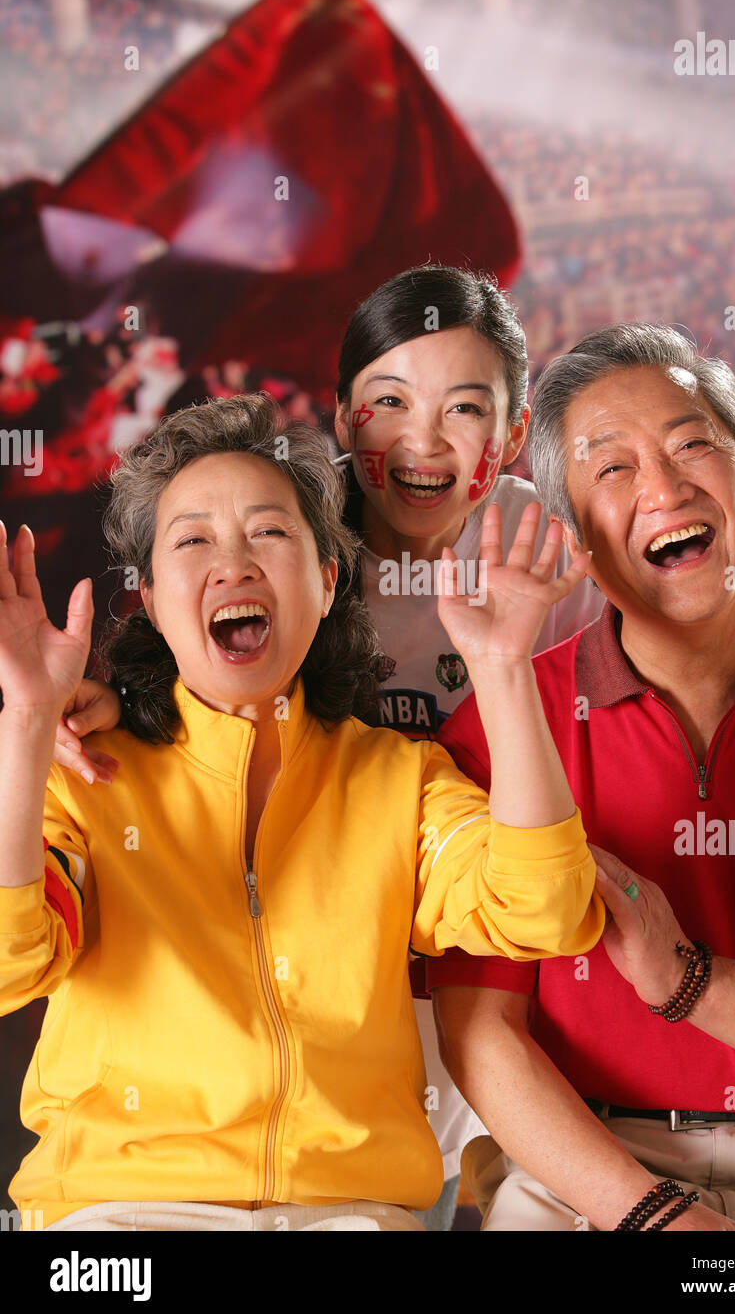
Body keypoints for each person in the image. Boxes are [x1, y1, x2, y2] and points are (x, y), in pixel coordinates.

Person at [50, 268, 735, 1230]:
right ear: (348, 428)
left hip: (464, 911)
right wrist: (82, 710)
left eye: (465, 408)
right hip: (336, 965)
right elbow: (186, 661)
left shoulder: (538, 546)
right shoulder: (281, 539)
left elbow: (677, 588)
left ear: (513, 438)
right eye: (389, 404)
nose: (423, 441)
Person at [0, 393, 606, 1232]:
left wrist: (503, 666)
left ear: (326, 583)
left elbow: (546, 912)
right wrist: (26, 726)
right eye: (192, 540)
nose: (234, 563)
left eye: (270, 532)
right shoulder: (82, 776)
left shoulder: (404, 782)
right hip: (117, 1216)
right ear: (147, 598)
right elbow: (8, 967)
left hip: (350, 1215)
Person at [429, 323, 735, 1232]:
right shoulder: (505, 719)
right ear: (573, 540)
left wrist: (687, 982)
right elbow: (481, 1035)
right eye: (613, 469)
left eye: (692, 442)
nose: (665, 488)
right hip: (595, 1168)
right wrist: (659, 1218)